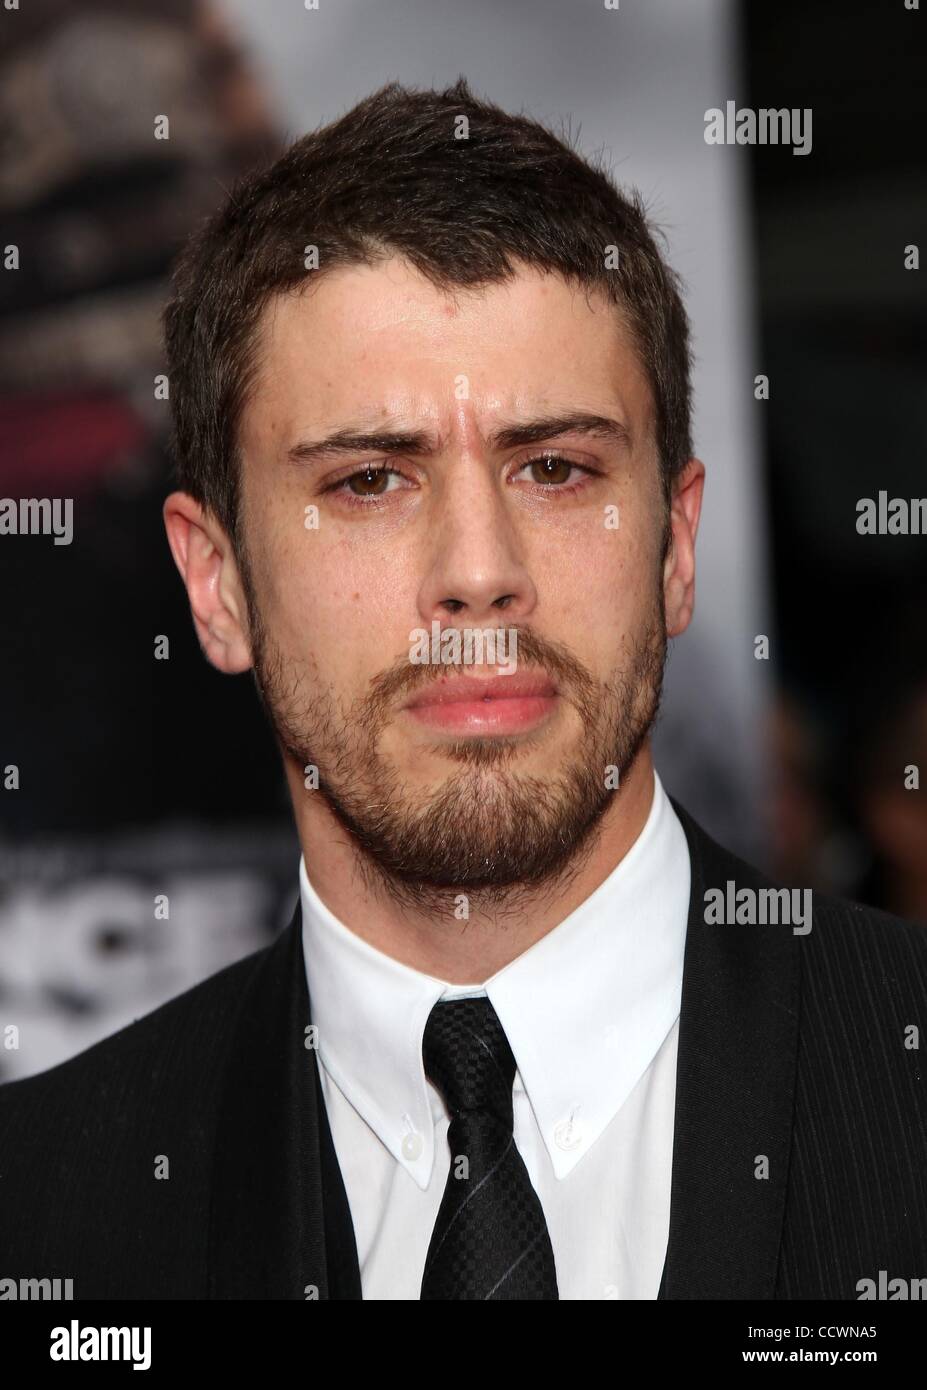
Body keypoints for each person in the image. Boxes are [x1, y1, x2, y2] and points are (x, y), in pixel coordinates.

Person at [2, 77, 925, 1302]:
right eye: (370, 481)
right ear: (215, 583)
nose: (480, 575)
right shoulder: (46, 1213)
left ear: (676, 547)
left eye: (554, 467)